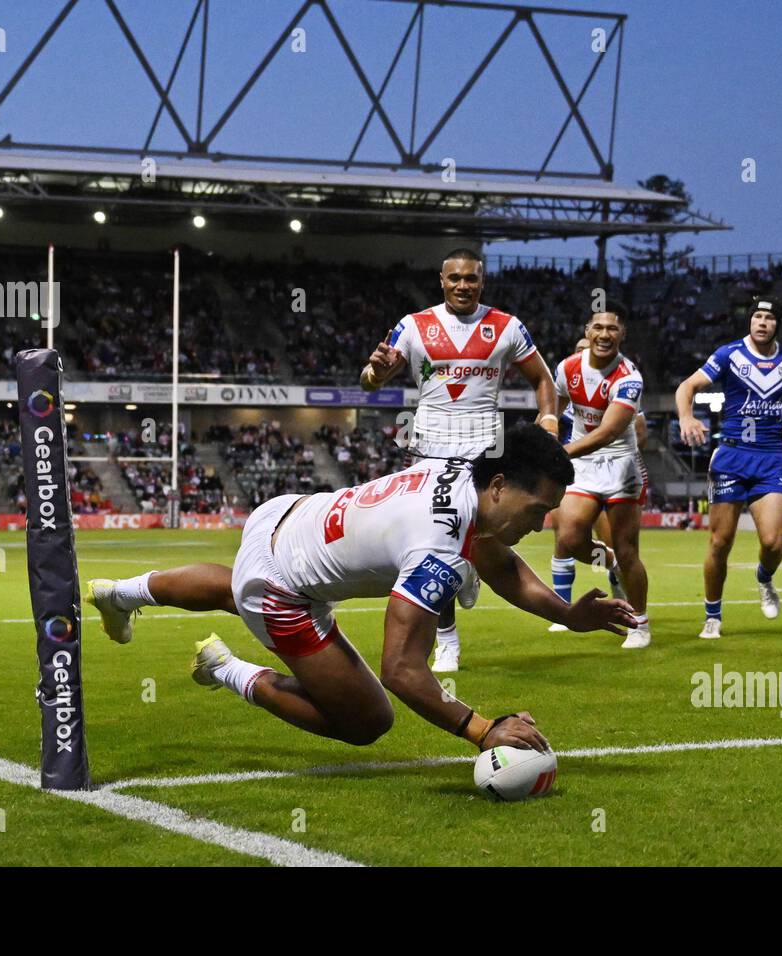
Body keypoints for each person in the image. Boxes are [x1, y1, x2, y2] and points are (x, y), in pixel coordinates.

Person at [87, 425, 633, 754]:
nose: (541, 525)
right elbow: (401, 669)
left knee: (237, 587)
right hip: (282, 591)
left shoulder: (466, 470)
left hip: (289, 516)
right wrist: (481, 728)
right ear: (498, 487)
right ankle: (225, 670)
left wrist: (567, 612)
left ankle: (121, 594)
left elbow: (501, 565)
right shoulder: (439, 544)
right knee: (369, 721)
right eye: (537, 510)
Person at [359, 247, 558, 673]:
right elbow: (370, 382)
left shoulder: (506, 326)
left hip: (483, 451)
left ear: (481, 281)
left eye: (471, 279)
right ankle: (447, 636)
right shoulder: (413, 326)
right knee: (436, 544)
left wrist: (549, 419)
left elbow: (543, 378)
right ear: (442, 280)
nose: (463, 286)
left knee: (472, 538)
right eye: (455, 278)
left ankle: (469, 570)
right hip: (428, 448)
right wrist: (376, 371)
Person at [674, 296, 782, 639]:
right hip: (731, 457)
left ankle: (764, 577)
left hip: (770, 458)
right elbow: (687, 387)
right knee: (720, 543)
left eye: (769, 318)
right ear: (750, 322)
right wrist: (686, 417)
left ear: (777, 324)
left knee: (774, 542)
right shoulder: (729, 354)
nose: (762, 322)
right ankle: (713, 616)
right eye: (757, 317)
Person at [547, 303, 652, 648]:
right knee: (571, 537)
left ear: (622, 335)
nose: (604, 334)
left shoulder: (629, 378)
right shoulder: (567, 368)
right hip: (583, 465)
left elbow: (607, 433)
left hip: (619, 464)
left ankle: (640, 623)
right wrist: (544, 432)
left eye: (612, 329)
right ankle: (609, 562)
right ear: (587, 331)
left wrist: (558, 452)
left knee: (628, 549)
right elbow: (553, 408)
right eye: (598, 327)